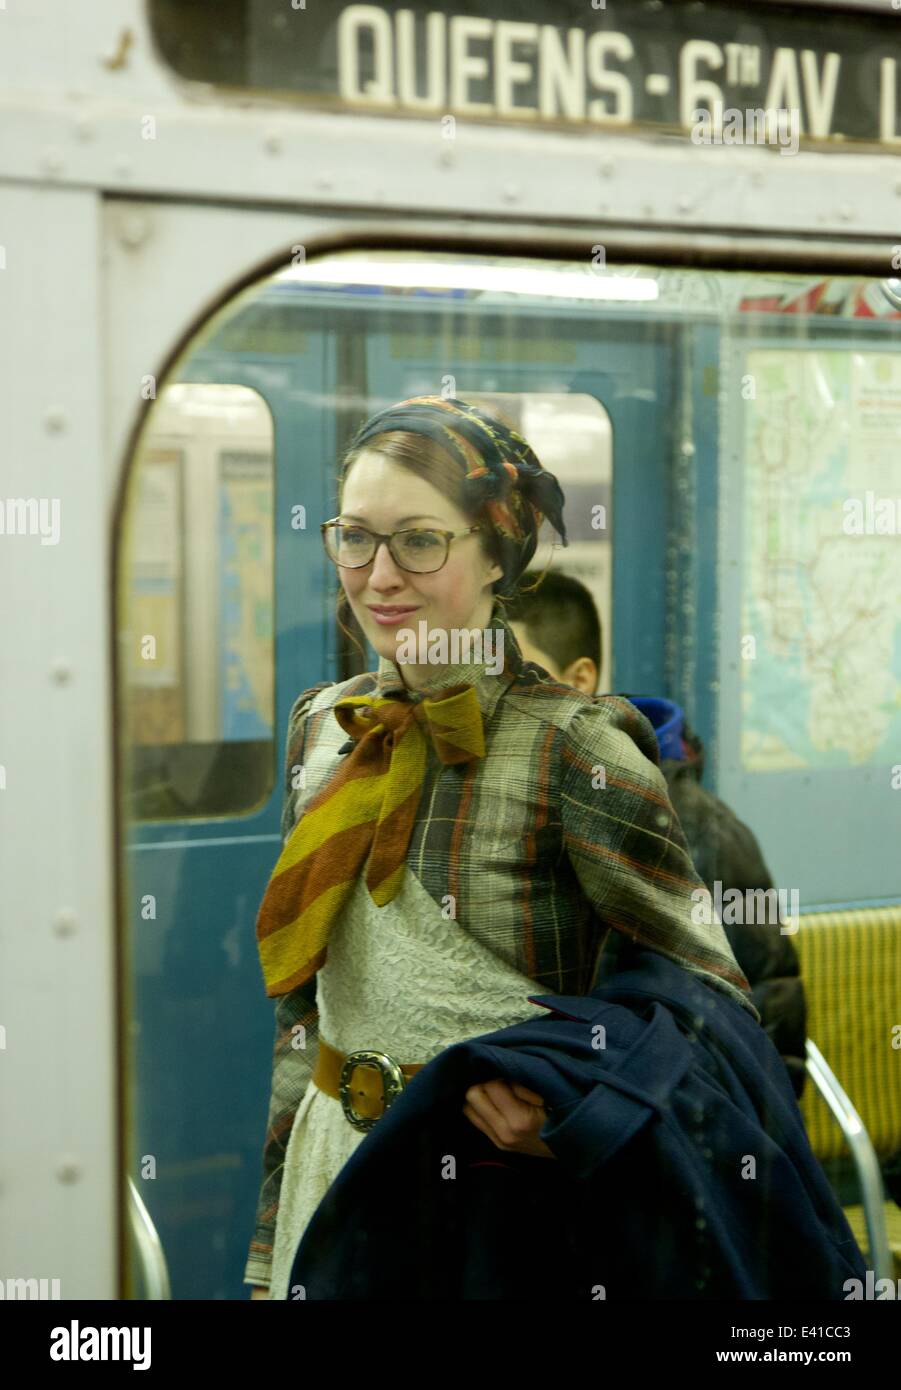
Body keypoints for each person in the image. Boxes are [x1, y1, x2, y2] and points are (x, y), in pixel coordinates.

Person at [244, 396, 756, 1300]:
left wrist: (571, 1112)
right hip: (335, 1175)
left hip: (500, 1202)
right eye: (354, 537)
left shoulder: (577, 746)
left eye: (419, 540)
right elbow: (309, 1020)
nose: (379, 573)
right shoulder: (324, 731)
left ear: (495, 556)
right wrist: (267, 1248)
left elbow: (710, 1008)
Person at [506, 571, 807, 1099]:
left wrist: (602, 1121)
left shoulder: (700, 832)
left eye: (519, 679)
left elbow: (759, 1045)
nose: (496, 703)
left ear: (579, 680)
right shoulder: (491, 811)